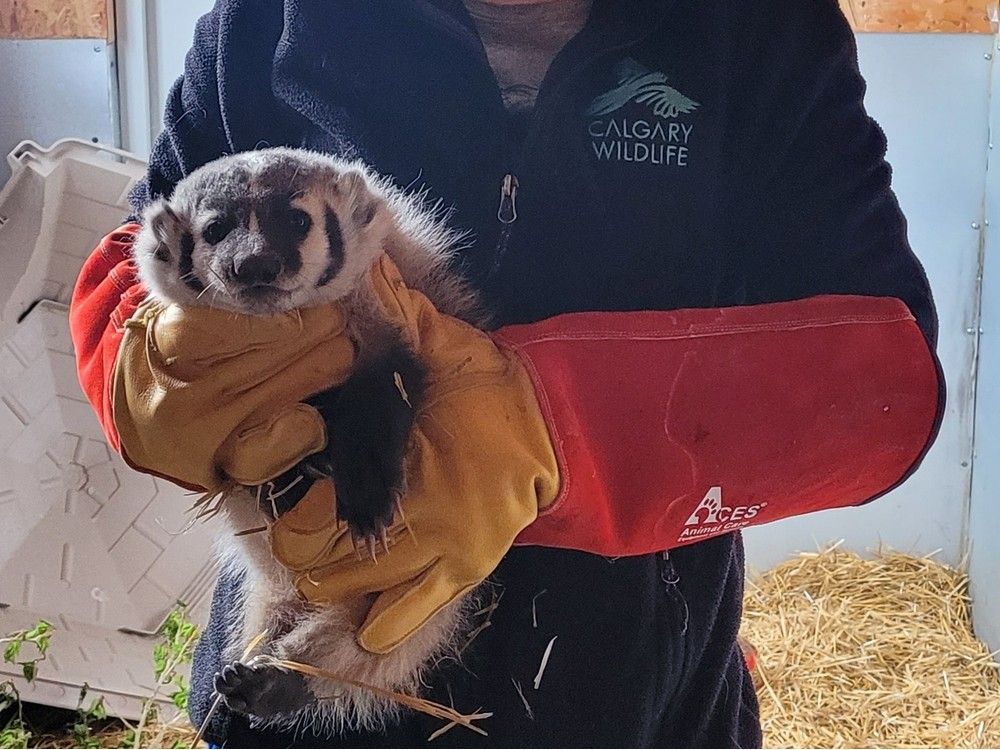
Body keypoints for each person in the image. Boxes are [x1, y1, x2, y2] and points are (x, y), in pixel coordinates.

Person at [69, 0, 945, 746]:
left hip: (632, 687)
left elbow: (886, 384)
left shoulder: (761, 29)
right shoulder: (272, 18)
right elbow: (136, 261)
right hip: (298, 678)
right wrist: (141, 379)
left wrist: (546, 435)